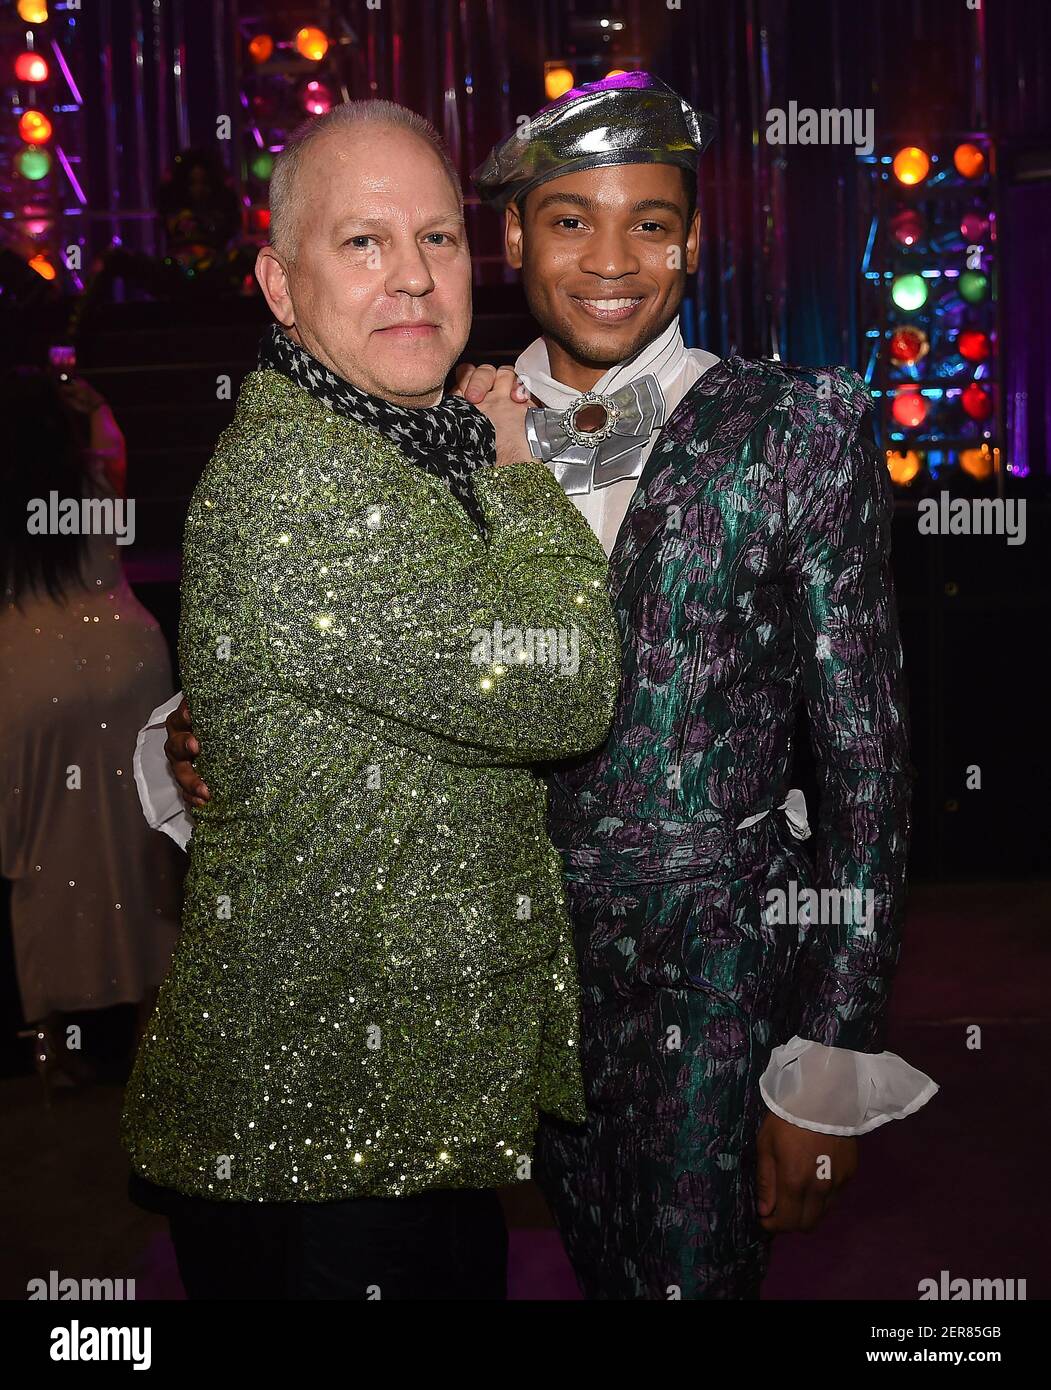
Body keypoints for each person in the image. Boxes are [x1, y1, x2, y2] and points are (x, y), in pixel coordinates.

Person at [146, 74, 939, 1301]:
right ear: (513, 238)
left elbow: (868, 767)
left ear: (692, 240)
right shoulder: (433, 409)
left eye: (651, 222)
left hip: (711, 989)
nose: (609, 259)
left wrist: (827, 1053)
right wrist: (190, 736)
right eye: (569, 220)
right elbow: (293, 628)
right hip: (496, 1001)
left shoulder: (795, 430)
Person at [120, 99, 621, 1301]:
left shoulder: (391, 439)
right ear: (279, 287)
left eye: (438, 239)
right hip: (324, 1139)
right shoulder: (312, 482)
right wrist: (517, 468)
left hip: (392, 1117)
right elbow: (566, 687)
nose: (412, 277)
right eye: (364, 242)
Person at [0, 368, 181, 1098]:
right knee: (145, 849)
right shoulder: (96, 472)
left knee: (42, 852)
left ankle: (48, 1041)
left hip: (26, 665)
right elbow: (113, 442)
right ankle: (151, 1027)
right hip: (124, 657)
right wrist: (83, 394)